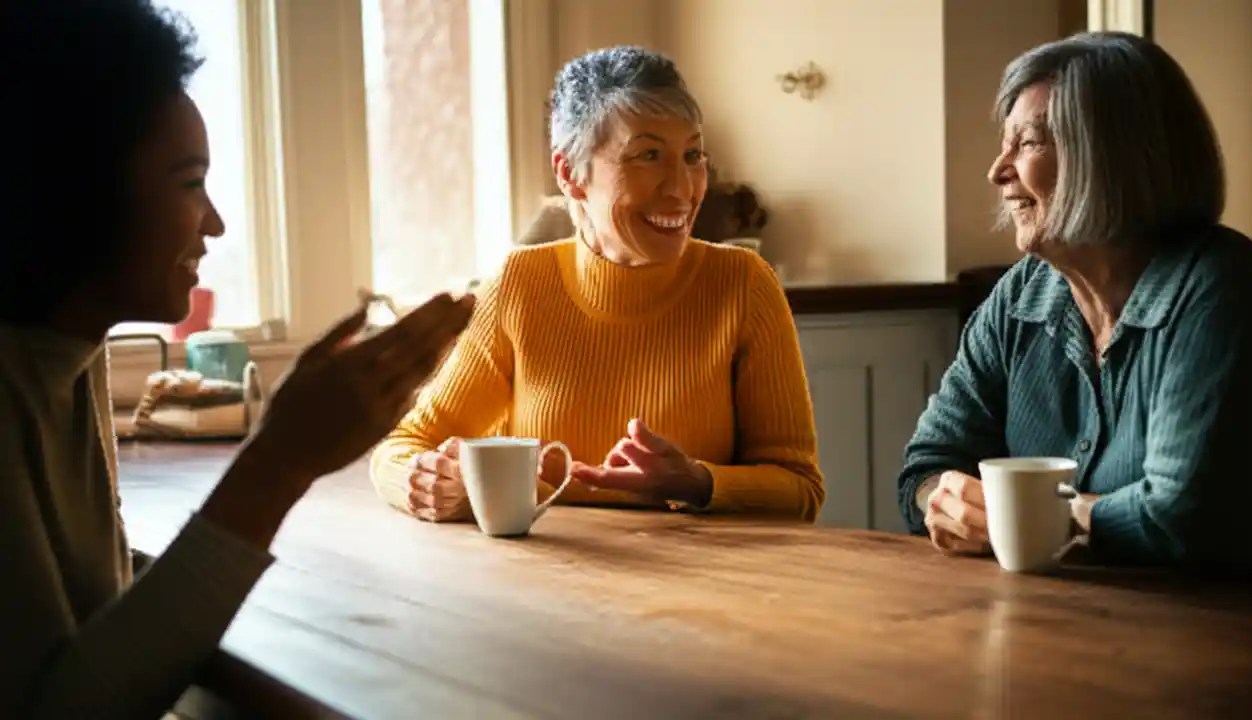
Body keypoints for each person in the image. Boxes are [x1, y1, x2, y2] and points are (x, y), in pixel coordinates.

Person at [0, 2, 474, 717]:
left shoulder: (69, 350)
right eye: (190, 182)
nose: (215, 221)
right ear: (77, 187)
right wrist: (278, 462)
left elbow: (93, 607)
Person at [370, 46, 824, 522]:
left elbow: (800, 487)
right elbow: (403, 447)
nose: (682, 188)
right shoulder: (521, 284)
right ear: (570, 174)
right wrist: (427, 482)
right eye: (648, 155)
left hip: (700, 586)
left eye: (692, 155)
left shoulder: (743, 284)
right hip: (546, 579)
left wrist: (695, 481)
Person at [897, 32, 1252, 576]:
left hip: (1210, 638)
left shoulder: (1224, 286)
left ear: (1112, 158)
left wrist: (1040, 516)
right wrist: (946, 502)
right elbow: (926, 465)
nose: (997, 171)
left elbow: (1187, 518)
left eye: (1028, 143)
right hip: (1048, 625)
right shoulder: (1020, 294)